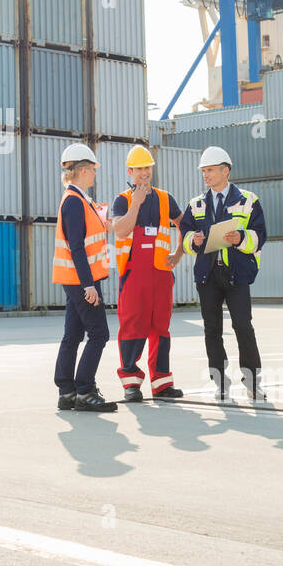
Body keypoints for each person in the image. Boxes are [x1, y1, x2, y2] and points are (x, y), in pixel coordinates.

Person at [178, 145, 268, 403]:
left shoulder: (248, 201)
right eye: (203, 171)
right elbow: (184, 238)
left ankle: (253, 382)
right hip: (208, 276)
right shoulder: (196, 205)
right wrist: (192, 241)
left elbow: (260, 236)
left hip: (237, 274)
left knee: (243, 326)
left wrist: (241, 237)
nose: (205, 175)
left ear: (225, 171)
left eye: (210, 170)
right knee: (212, 329)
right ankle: (219, 384)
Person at [110, 145, 185, 403]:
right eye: (139, 168)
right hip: (134, 276)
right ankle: (131, 383)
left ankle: (162, 383)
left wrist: (178, 253)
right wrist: (136, 203)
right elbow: (120, 231)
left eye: (147, 167)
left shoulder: (166, 198)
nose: (144, 172)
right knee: (132, 326)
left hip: (161, 274)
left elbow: (183, 225)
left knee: (161, 328)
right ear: (130, 171)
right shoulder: (122, 199)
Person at [52, 143, 118, 412]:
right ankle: (85, 390)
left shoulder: (79, 200)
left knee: (73, 334)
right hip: (82, 281)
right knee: (99, 333)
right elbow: (76, 246)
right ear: (80, 170)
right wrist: (88, 285)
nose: (94, 174)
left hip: (76, 279)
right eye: (92, 169)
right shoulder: (74, 202)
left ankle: (67, 391)